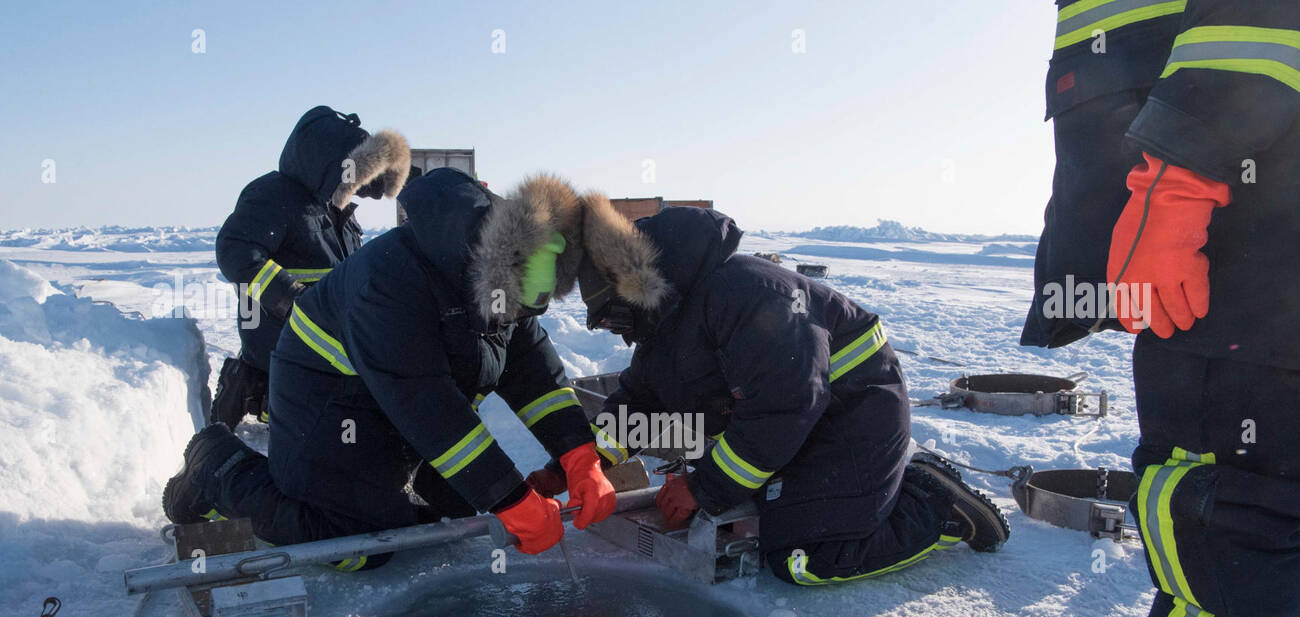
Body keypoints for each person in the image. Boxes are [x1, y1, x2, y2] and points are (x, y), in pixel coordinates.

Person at [1004, 0, 1300, 617]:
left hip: (1243, 228)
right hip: (1228, 232)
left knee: (1223, 507)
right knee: (1203, 491)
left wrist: (1181, 176)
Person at [163, 169, 617, 567]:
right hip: (325, 394)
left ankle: (392, 491)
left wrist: (579, 456)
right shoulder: (390, 286)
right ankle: (218, 468)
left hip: (385, 393)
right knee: (356, 544)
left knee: (453, 505)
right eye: (516, 308)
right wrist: (511, 498)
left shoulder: (499, 281)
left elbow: (532, 369)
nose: (517, 319)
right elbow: (427, 406)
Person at [565, 194, 1009, 587]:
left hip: (854, 416)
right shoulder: (670, 317)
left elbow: (783, 407)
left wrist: (702, 489)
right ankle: (876, 493)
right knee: (752, 522)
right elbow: (642, 398)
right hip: (798, 425)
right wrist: (584, 461)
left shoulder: (748, 295)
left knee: (801, 559)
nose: (619, 335)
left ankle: (934, 507)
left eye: (616, 320)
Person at [211, 106, 411, 429]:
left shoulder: (339, 214)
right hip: (283, 332)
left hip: (325, 338)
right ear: (327, 165)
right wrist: (291, 299)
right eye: (353, 175)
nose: (356, 186)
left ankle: (266, 394)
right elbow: (235, 248)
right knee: (335, 414)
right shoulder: (274, 195)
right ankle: (250, 386)